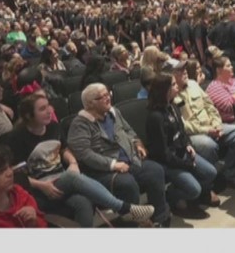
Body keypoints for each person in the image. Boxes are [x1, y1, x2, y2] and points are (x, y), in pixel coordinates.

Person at [0, 92, 155, 226]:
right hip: (40, 188)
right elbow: (15, 174)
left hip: (62, 180)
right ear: (28, 116)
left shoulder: (53, 126)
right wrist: (42, 186)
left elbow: (64, 149)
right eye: (42, 109)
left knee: (83, 203)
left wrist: (73, 162)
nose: (49, 111)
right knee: (73, 178)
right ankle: (125, 208)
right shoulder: (15, 138)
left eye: (48, 106)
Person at [66, 83, 172, 227]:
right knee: (128, 184)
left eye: (107, 93)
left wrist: (137, 143)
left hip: (129, 160)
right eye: (102, 96)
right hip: (102, 171)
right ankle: (134, 224)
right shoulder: (80, 123)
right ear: (90, 104)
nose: (108, 97)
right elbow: (85, 154)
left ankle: (160, 219)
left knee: (155, 170)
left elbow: (128, 130)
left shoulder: (113, 113)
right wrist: (113, 165)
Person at [144, 74, 220, 218]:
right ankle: (172, 195)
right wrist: (187, 165)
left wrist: (188, 145)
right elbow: (163, 153)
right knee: (194, 190)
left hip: (182, 153)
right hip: (168, 162)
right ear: (164, 90)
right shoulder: (155, 117)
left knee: (211, 173)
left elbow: (182, 132)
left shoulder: (173, 106)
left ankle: (185, 190)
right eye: (173, 85)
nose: (177, 87)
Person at [175, 60, 235, 190]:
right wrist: (207, 130)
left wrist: (217, 124)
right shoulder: (171, 94)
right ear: (172, 75)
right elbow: (183, 126)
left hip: (212, 125)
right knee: (208, 145)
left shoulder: (194, 84)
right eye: (180, 71)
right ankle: (211, 182)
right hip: (193, 134)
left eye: (184, 70)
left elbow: (210, 106)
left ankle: (230, 174)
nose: (185, 72)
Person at [205, 56, 235, 124]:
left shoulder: (234, 81)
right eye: (228, 66)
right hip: (232, 122)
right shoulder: (214, 87)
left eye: (231, 65)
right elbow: (229, 106)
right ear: (218, 70)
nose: (232, 67)